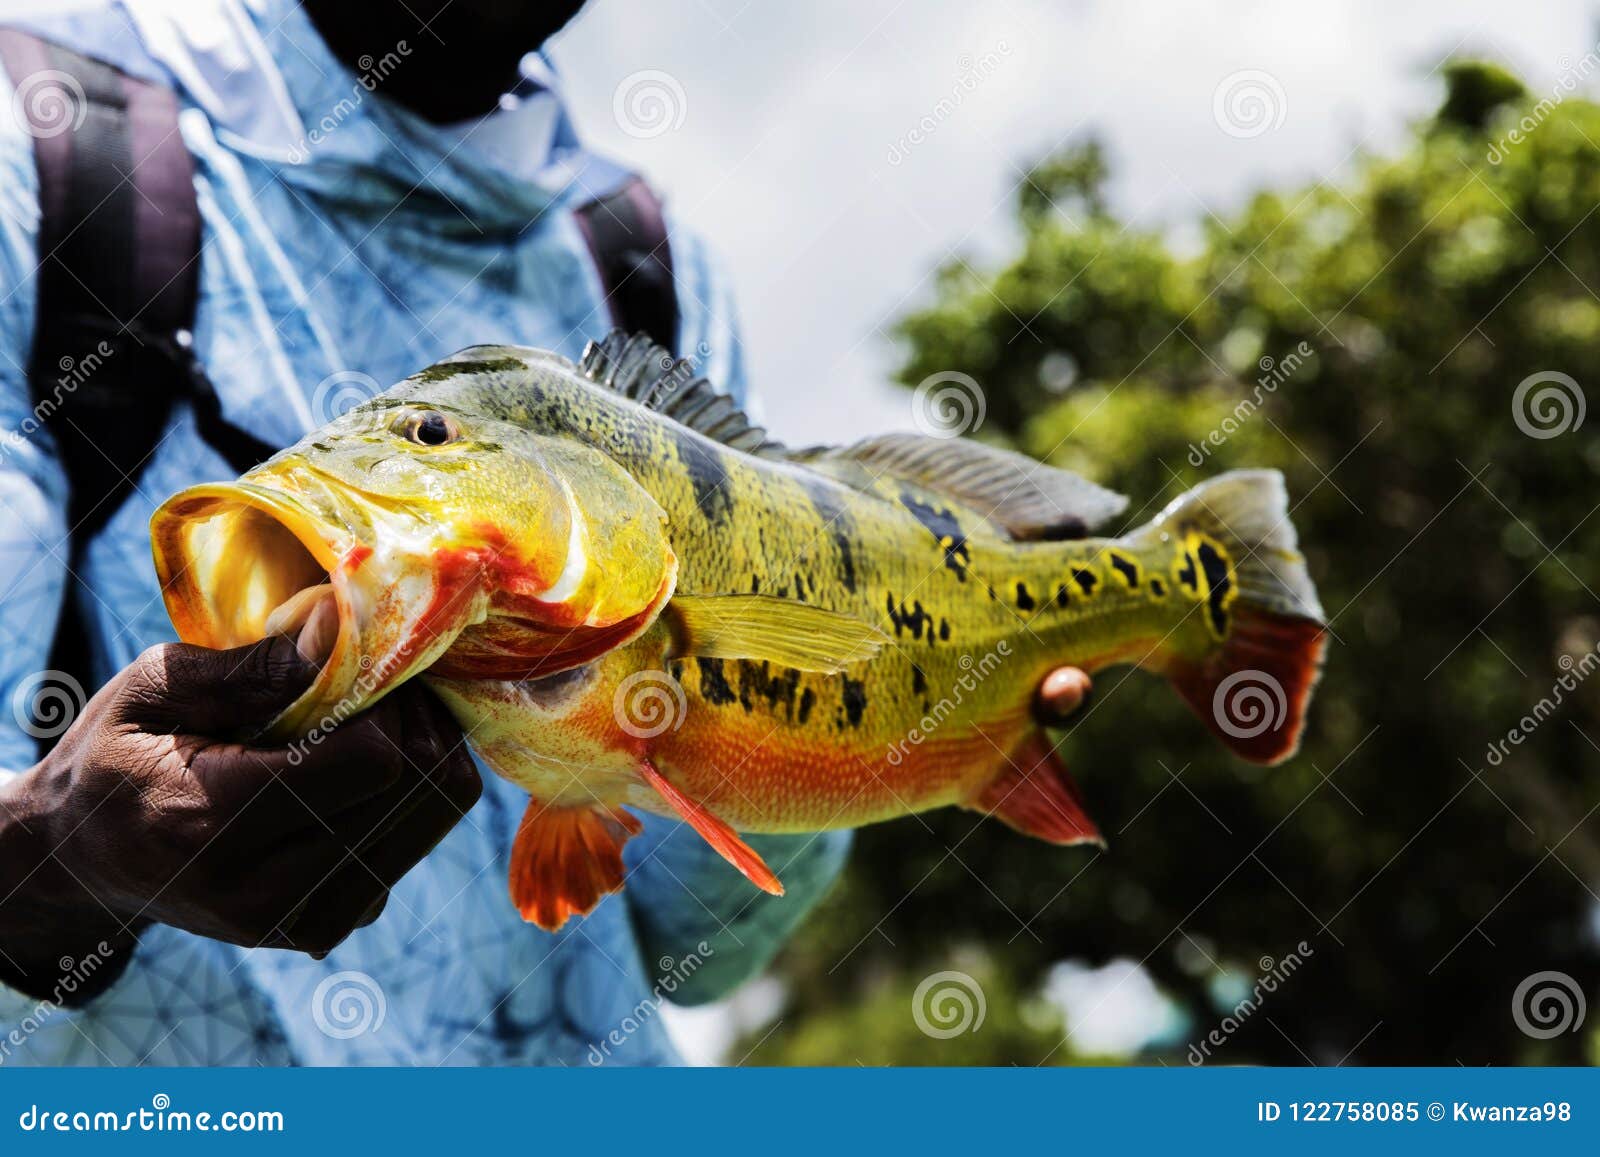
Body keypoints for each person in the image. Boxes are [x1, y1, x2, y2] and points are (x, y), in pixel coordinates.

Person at [0, 0, 1090, 1067]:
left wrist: (886, 716)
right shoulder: (40, 149)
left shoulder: (646, 263)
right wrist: (49, 859)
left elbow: (694, 949)